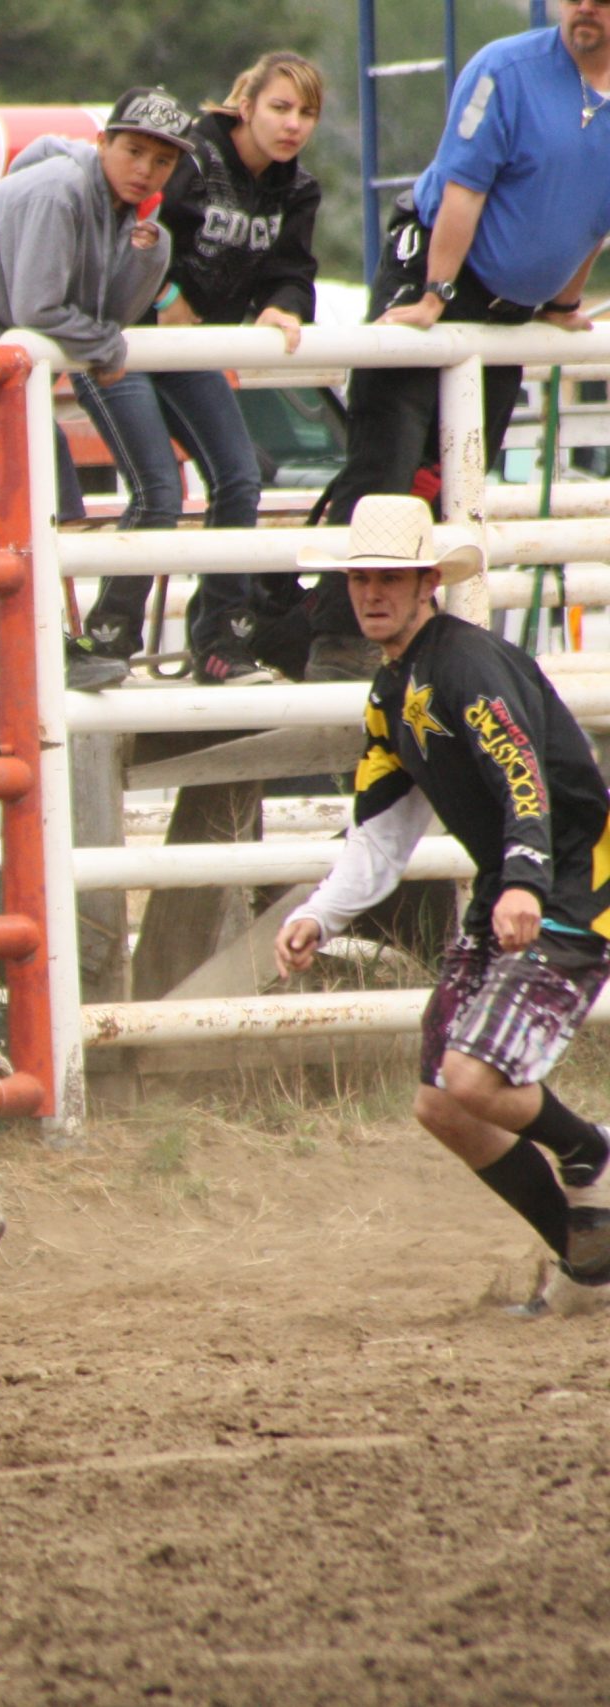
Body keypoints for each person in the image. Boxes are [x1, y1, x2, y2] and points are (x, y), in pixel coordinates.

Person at [275, 496, 610, 1315]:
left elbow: (521, 773)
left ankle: (593, 1155)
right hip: (518, 887)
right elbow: (381, 829)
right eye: (362, 579)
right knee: (440, 1101)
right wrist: (324, 911)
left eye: (390, 577)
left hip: (577, 884)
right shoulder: (395, 690)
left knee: (471, 1077)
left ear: (428, 581)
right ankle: (587, 1262)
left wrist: (527, 879)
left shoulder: (467, 666)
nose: (373, 594)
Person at [308, 5, 610, 683]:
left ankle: (425, 639)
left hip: (510, 307)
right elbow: (465, 189)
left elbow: (594, 218)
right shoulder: (507, 69)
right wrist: (434, 296)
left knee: (455, 474)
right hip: (437, 270)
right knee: (387, 453)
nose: (584, 7)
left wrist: (563, 301)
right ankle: (337, 638)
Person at [0, 87, 192, 693]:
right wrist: (106, 347)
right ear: (104, 143)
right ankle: (41, 650)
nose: (145, 169)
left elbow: (110, 311)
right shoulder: (61, 191)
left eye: (161, 162)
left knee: (46, 491)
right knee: (21, 499)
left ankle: (53, 643)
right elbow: (41, 308)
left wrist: (147, 254)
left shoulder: (116, 212)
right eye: (134, 151)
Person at [75, 52, 325, 686]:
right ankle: (107, 641)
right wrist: (163, 296)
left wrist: (280, 308)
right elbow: (136, 220)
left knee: (241, 477)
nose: (293, 124)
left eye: (307, 113)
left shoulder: (296, 189)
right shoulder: (190, 155)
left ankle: (221, 641)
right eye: (280, 107)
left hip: (191, 351)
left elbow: (293, 272)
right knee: (158, 489)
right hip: (119, 337)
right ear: (246, 106)